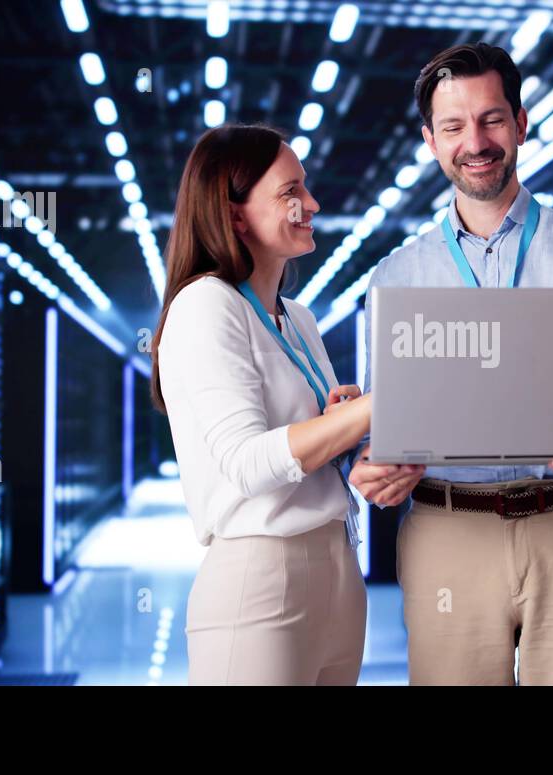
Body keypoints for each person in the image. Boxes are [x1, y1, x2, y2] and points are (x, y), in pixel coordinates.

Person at [349, 43, 553, 685]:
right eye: (453, 126)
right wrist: (370, 463)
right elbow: (384, 413)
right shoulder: (397, 274)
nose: (476, 141)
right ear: (431, 140)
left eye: (492, 119)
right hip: (448, 529)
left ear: (521, 123)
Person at [151, 124, 381, 685]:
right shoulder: (206, 305)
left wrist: (352, 437)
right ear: (234, 216)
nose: (312, 204)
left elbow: (316, 448)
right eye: (290, 192)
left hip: (339, 568)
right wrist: (377, 405)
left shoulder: (296, 318)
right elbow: (249, 463)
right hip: (261, 578)